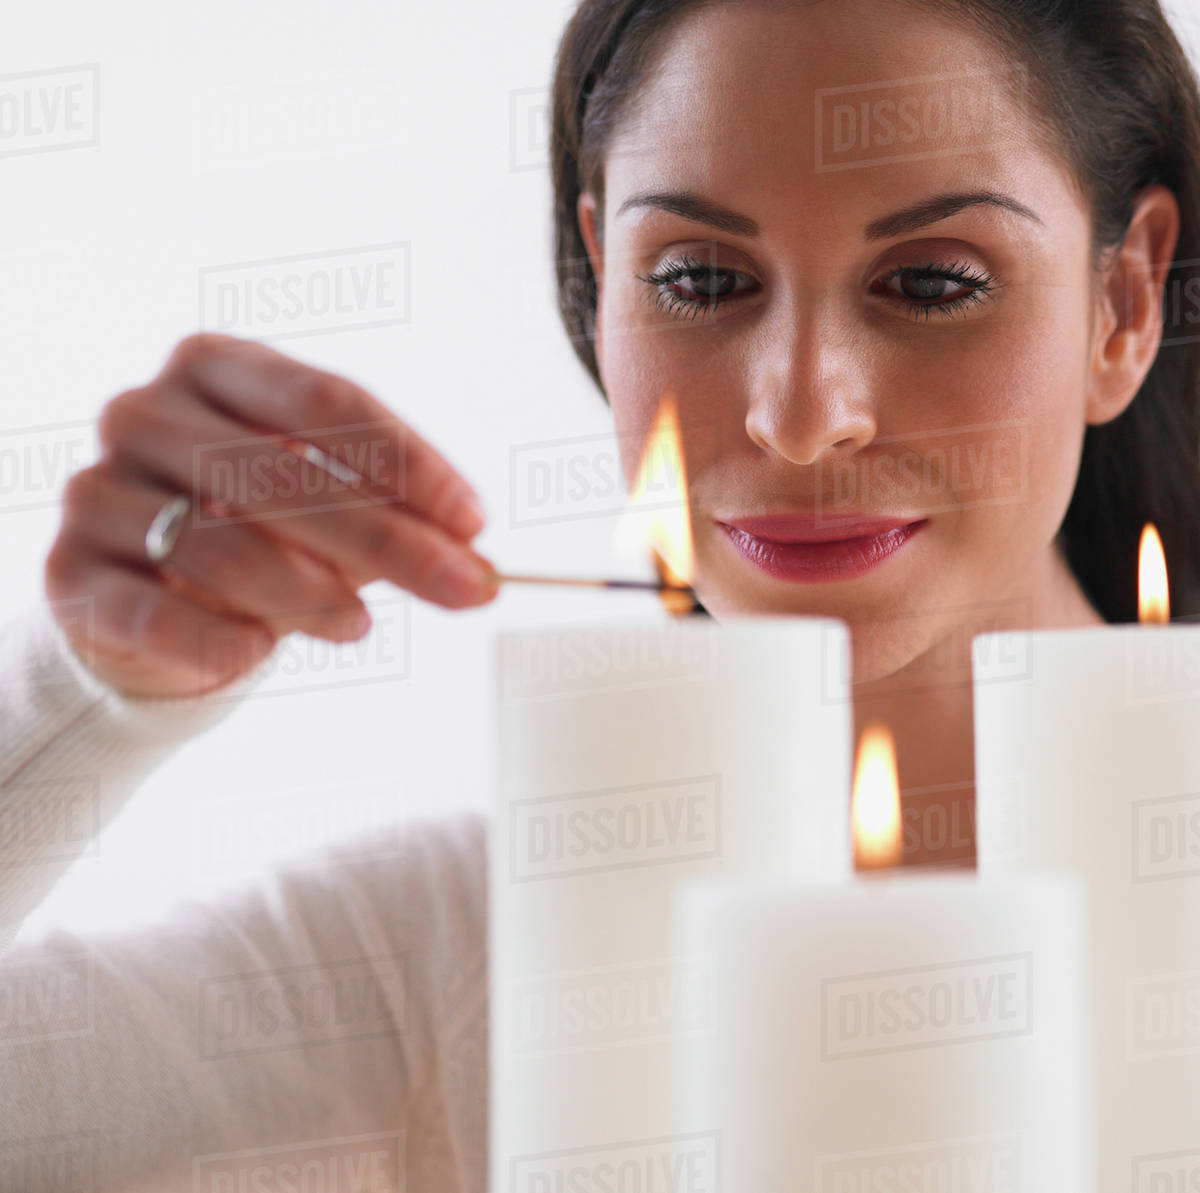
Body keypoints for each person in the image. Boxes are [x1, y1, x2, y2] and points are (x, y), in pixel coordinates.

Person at [2, 0, 1198, 1188]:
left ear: (1126, 303)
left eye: (932, 283)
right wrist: (86, 697)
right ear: (600, 272)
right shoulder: (474, 968)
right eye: (702, 278)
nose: (798, 415)